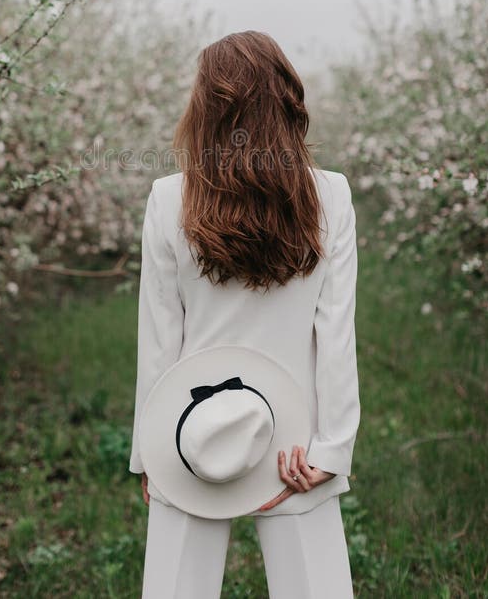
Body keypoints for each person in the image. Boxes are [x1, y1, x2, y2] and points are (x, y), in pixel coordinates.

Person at [128, 30, 361, 598]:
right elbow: (335, 333)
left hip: (190, 428)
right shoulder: (330, 195)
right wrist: (332, 449)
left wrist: (152, 453)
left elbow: (160, 339)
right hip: (296, 442)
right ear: (288, 101)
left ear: (206, 107)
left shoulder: (168, 199)